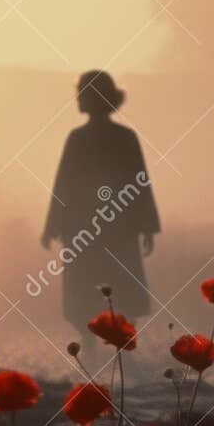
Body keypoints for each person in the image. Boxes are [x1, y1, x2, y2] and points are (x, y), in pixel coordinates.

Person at [41, 70, 160, 359]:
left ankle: (97, 348)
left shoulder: (80, 138)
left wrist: (53, 226)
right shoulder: (124, 137)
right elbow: (139, 183)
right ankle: (111, 350)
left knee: (87, 287)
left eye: (82, 94)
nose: (78, 100)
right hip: (116, 229)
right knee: (115, 286)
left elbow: (64, 184)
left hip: (88, 230)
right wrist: (147, 226)